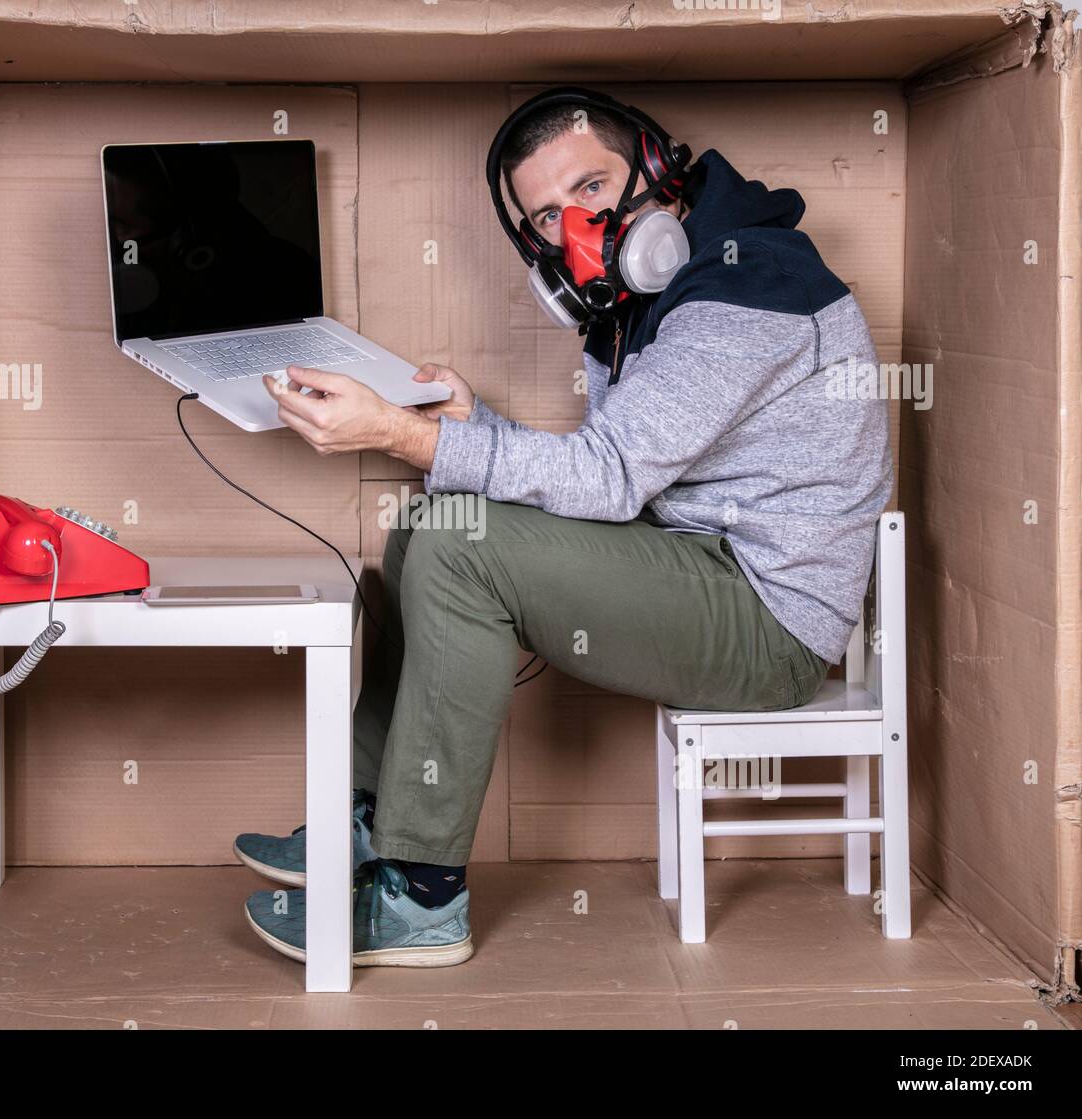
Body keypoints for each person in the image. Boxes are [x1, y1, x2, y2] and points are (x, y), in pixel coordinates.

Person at [235, 87, 892, 968]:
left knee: (462, 547)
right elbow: (619, 467)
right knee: (435, 518)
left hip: (769, 624)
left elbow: (612, 479)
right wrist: (472, 431)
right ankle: (368, 815)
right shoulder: (637, 302)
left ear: (658, 174)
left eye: (592, 188)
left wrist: (403, 431)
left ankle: (423, 896)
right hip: (695, 562)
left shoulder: (746, 289)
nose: (575, 224)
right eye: (548, 212)